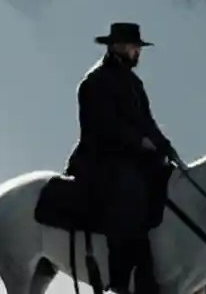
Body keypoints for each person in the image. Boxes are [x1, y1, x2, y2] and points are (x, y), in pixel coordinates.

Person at [64, 22, 185, 294]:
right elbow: (101, 128)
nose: (137, 52)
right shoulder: (93, 82)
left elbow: (147, 121)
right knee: (128, 197)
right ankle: (124, 276)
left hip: (132, 159)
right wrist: (138, 141)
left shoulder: (134, 83)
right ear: (117, 46)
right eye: (134, 47)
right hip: (99, 160)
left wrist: (165, 146)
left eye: (138, 48)